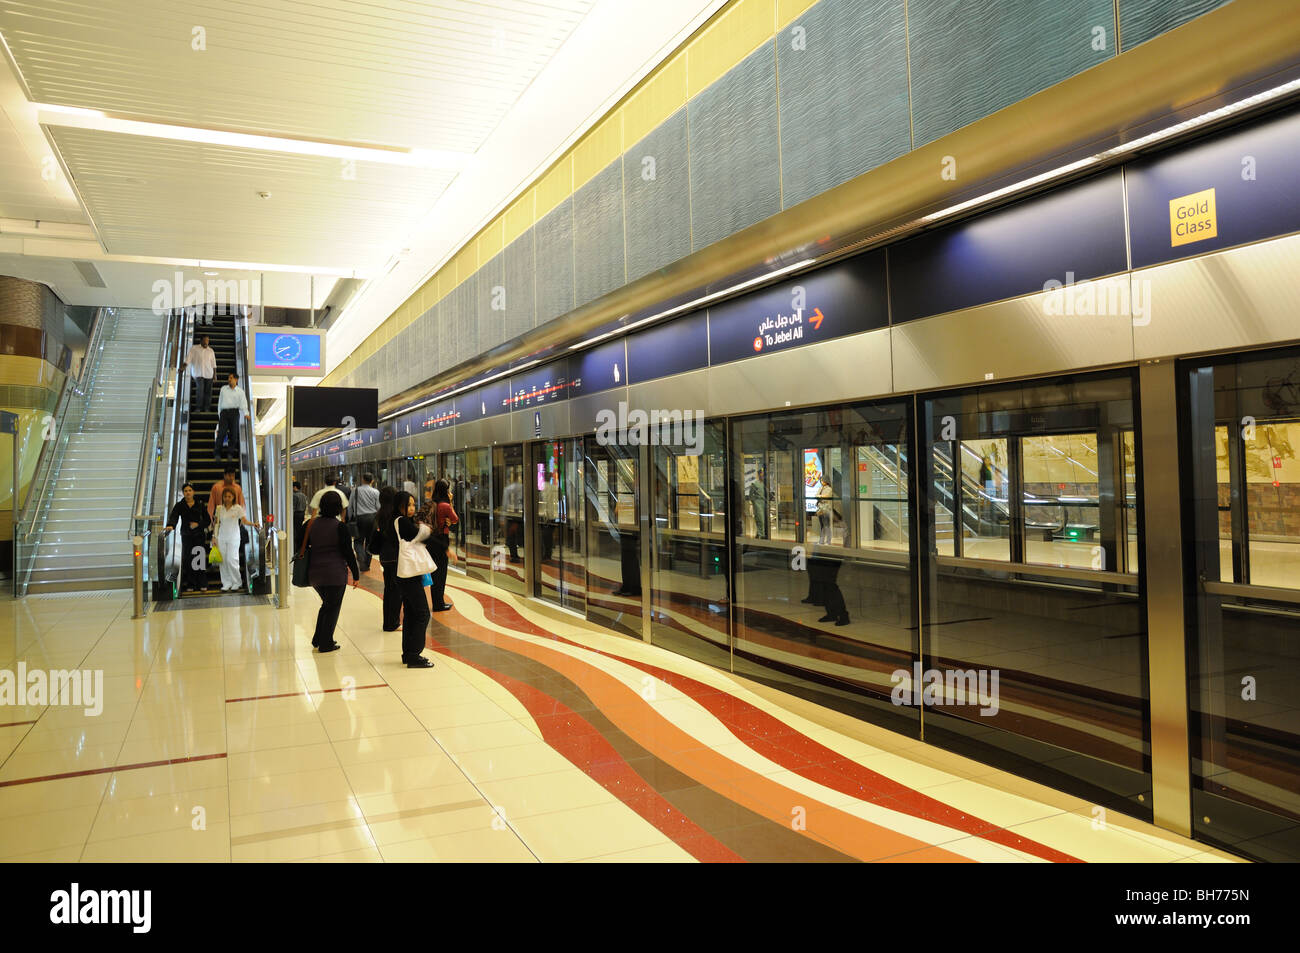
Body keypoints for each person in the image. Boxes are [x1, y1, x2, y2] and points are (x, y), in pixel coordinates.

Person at [301, 491, 360, 653]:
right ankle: (326, 643)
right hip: (335, 574)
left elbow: (302, 545)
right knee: (332, 607)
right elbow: (348, 552)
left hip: (315, 574)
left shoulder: (311, 524)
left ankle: (318, 638)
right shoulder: (340, 527)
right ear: (338, 508)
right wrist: (356, 574)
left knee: (327, 605)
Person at [393, 491, 433, 668]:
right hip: (408, 575)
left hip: (408, 575)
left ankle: (408, 653)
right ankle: (415, 654)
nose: (411, 508)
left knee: (410, 613)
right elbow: (421, 537)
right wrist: (445, 547)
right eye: (408, 505)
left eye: (413, 504)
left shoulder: (403, 521)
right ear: (399, 505)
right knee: (423, 613)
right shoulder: (401, 521)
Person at [164, 483, 210, 592]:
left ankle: (202, 583)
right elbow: (174, 516)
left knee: (199, 559)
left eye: (190, 490)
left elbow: (207, 520)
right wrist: (171, 525)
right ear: (183, 493)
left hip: (199, 535)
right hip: (186, 535)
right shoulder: (180, 505)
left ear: (193, 492)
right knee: (189, 559)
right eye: (185, 491)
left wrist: (198, 524)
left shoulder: (199, 504)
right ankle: (191, 584)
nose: (188, 492)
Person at [368, 486, 402, 632]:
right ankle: (392, 623)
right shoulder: (396, 516)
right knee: (396, 591)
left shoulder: (379, 514)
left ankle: (388, 622)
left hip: (385, 556)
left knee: (389, 589)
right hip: (396, 556)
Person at [422, 479, 458, 612]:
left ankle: (437, 601)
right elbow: (455, 519)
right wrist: (451, 502)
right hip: (442, 540)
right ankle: (438, 604)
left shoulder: (431, 504)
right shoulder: (445, 505)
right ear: (446, 491)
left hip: (431, 540)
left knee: (435, 572)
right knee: (441, 574)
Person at [213, 486, 254, 592]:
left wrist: (254, 524)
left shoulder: (237, 508)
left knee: (232, 560)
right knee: (223, 561)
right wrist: (214, 537)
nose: (227, 498)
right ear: (222, 497)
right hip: (221, 537)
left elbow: (244, 521)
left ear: (233, 497)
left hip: (234, 538)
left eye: (229, 496)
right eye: (225, 496)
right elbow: (216, 524)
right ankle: (226, 583)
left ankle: (237, 582)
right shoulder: (219, 508)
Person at [214, 372, 250, 465]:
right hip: (224, 413)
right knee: (221, 433)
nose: (229, 379)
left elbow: (243, 404)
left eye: (231, 378)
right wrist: (220, 414)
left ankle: (230, 453)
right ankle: (217, 453)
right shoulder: (223, 389)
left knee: (234, 434)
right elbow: (219, 402)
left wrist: (246, 413)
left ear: (236, 379)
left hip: (234, 413)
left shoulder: (240, 392)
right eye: (229, 378)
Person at [351, 472, 380, 570]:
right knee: (369, 542)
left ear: (362, 480)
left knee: (358, 541)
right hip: (372, 518)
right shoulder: (376, 492)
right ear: (372, 481)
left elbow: (350, 506)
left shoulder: (355, 491)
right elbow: (378, 507)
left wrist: (349, 517)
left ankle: (361, 555)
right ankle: (366, 565)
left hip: (359, 518)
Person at [183, 334, 216, 411]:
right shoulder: (194, 349)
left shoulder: (211, 351)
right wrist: (183, 367)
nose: (206, 342)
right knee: (199, 391)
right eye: (204, 340)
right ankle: (198, 407)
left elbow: (213, 363)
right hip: (198, 373)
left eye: (207, 341)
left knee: (208, 392)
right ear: (200, 340)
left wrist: (215, 375)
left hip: (209, 374)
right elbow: (188, 359)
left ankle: (207, 407)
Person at [502, 470, 524, 562]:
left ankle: (514, 556)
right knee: (520, 535)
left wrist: (502, 517)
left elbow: (505, 504)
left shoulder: (508, 489)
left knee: (511, 537)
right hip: (521, 514)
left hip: (511, 515)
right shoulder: (522, 487)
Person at [817, 476, 834, 545]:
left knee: (827, 525)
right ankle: (821, 541)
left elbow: (826, 496)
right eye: (821, 480)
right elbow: (817, 494)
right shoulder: (821, 488)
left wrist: (820, 496)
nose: (822, 482)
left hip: (826, 508)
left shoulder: (829, 489)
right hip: (820, 508)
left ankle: (828, 541)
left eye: (823, 480)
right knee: (822, 525)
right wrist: (820, 496)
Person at [292, 480, 308, 549]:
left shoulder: (294, 495)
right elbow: (305, 506)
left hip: (296, 514)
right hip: (302, 514)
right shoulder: (303, 495)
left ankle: (295, 546)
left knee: (295, 530)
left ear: (295, 487)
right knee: (299, 529)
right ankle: (300, 545)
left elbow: (293, 507)